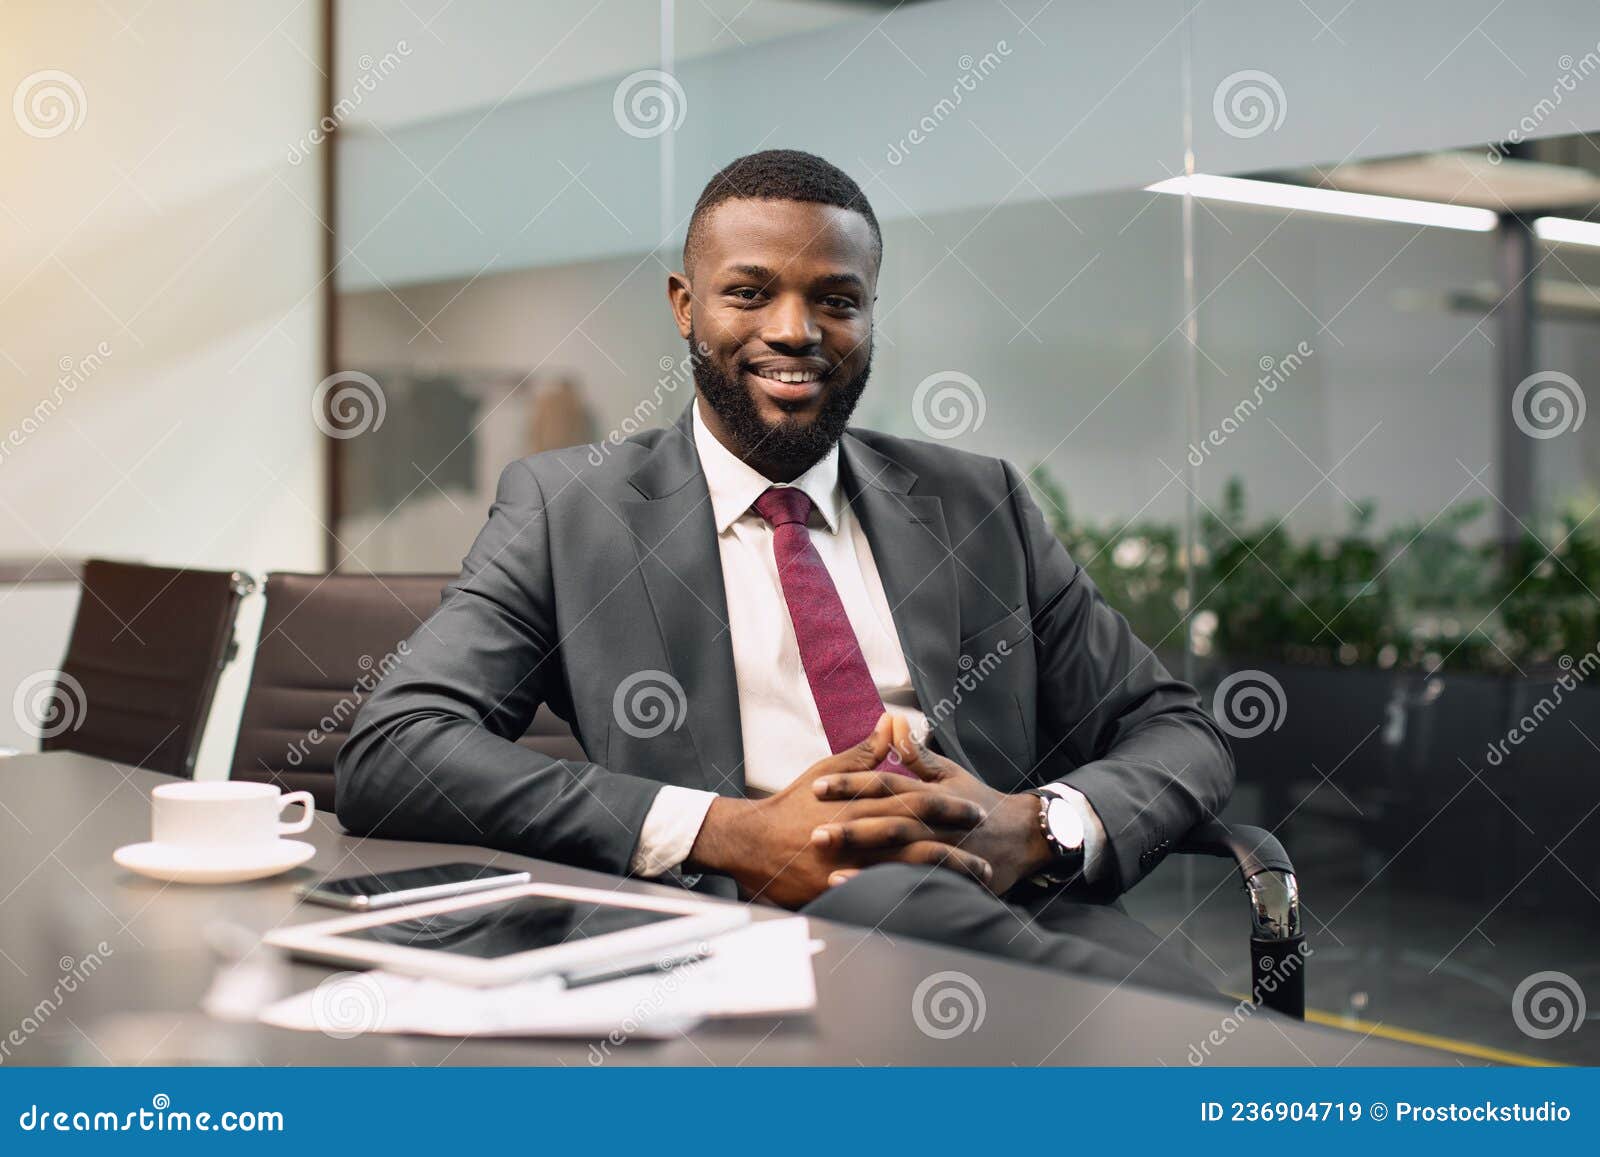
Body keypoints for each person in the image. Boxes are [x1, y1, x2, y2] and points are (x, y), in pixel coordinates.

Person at [335, 149, 1233, 1000]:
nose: (794, 330)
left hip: (1014, 908)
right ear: (686, 305)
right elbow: (395, 749)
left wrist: (1034, 827)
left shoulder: (977, 502)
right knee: (1176, 1033)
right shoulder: (571, 510)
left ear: (871, 312)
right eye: (750, 293)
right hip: (744, 941)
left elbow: (1175, 729)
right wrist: (732, 832)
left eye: (836, 299)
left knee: (1126, 993)